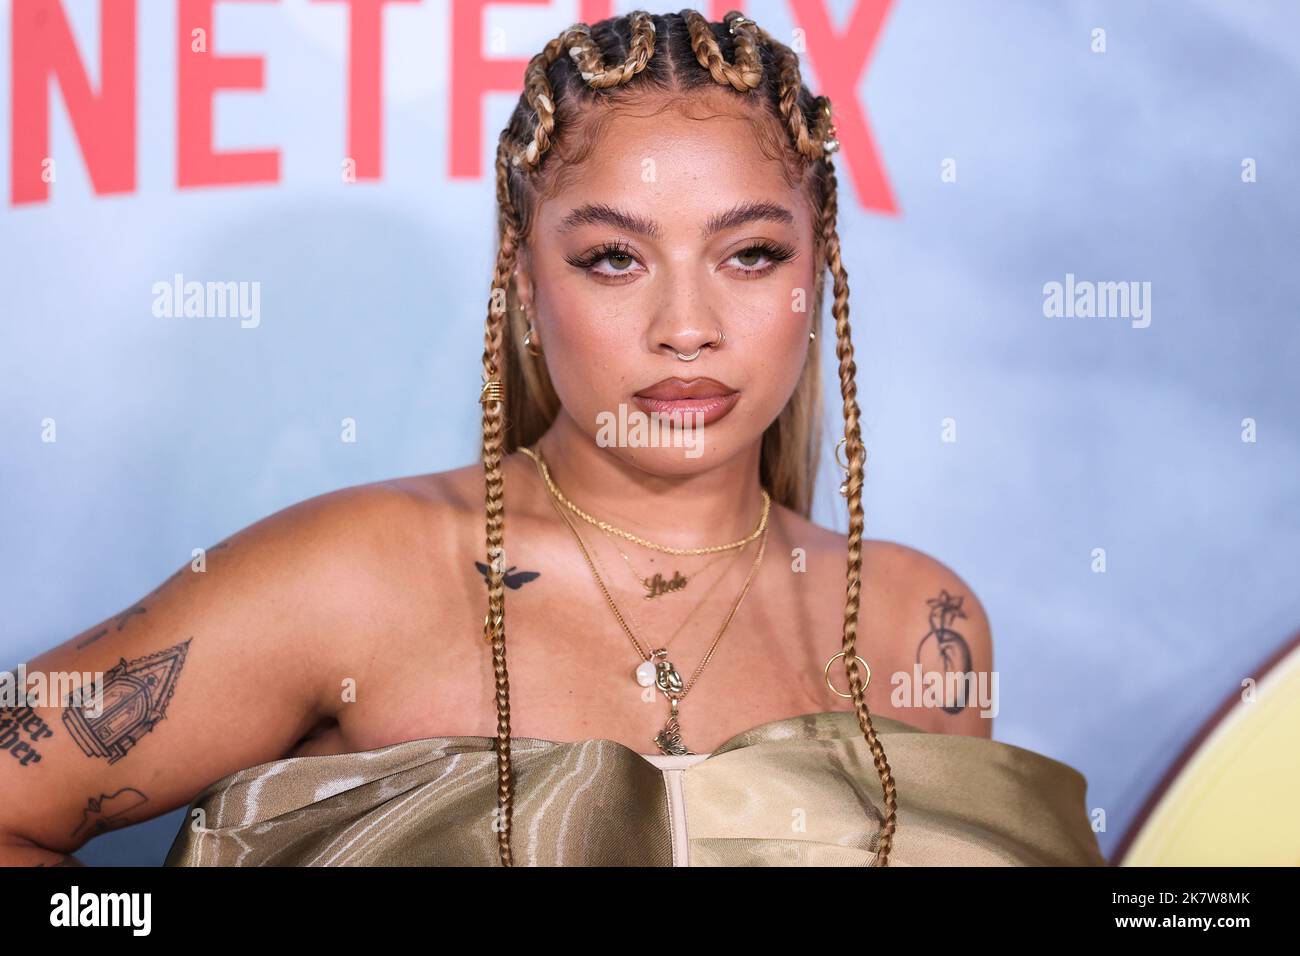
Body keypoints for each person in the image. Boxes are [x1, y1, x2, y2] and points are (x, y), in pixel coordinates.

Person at [0, 9, 1104, 867]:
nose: (686, 327)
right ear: (528, 286)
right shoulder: (354, 575)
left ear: (816, 274)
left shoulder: (917, 618)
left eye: (751, 254)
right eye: (614, 258)